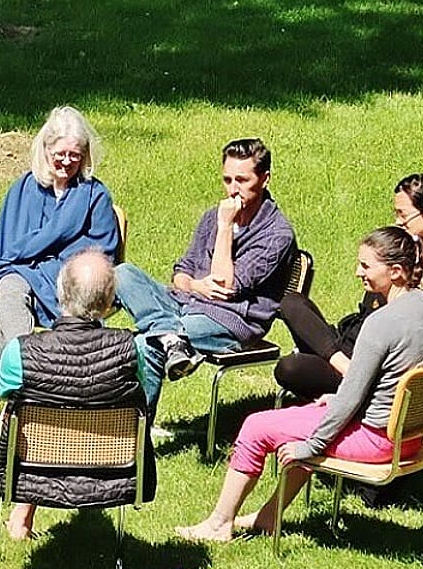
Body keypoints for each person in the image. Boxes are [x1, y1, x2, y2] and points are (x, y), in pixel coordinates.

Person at [175, 226, 423, 542]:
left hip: (378, 439)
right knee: (306, 420)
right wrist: (333, 408)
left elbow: (349, 399)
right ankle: (268, 518)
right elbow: (391, 382)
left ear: (396, 272)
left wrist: (311, 447)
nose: (357, 272)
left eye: (365, 266)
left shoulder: (380, 324)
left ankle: (218, 525)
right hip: (408, 435)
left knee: (256, 426)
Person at [0, 106, 121, 434]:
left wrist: (43, 257)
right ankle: (18, 390)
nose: (66, 162)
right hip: (23, 275)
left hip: (70, 284)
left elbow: (99, 254)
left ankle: (2, 404)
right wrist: (40, 256)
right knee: (9, 291)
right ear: (46, 149)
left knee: (2, 314)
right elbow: (7, 246)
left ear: (85, 156)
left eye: (75, 155)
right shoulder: (24, 189)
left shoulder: (94, 195)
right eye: (60, 154)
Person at [114, 138, 297, 416]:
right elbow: (181, 272)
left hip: (228, 320)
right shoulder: (212, 216)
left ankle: (138, 433)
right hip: (185, 302)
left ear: (265, 179)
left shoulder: (277, 234)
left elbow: (225, 285)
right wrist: (195, 284)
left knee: (145, 344)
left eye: (242, 180)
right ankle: (170, 335)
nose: (233, 189)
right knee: (122, 273)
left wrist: (225, 227)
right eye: (227, 179)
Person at [0, 250, 153, 541]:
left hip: (29, 473)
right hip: (114, 474)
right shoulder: (131, 349)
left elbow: (4, 393)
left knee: (17, 414)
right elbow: (141, 392)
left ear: (60, 292)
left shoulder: (19, 351)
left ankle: (20, 518)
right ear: (109, 300)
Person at [275, 172, 423, 401]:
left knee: (290, 368)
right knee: (292, 303)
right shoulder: (396, 253)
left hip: (375, 365)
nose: (397, 221)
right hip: (350, 347)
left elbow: (421, 338)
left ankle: (352, 378)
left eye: (403, 214)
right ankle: (344, 367)